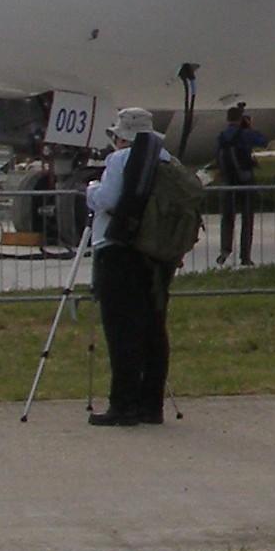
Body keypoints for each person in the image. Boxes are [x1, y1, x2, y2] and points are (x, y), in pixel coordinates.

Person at [85, 107, 176, 427]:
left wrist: (91, 189)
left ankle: (123, 404)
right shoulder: (167, 160)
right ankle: (151, 405)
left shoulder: (120, 160)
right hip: (156, 253)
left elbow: (108, 200)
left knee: (122, 329)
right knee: (153, 328)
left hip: (119, 250)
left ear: (121, 136)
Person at [211, 101, 267, 266]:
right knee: (247, 219)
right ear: (241, 118)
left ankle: (224, 251)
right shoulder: (245, 135)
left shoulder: (222, 136)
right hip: (245, 180)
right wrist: (248, 128)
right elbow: (263, 141)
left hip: (227, 181)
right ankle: (245, 256)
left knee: (227, 218)